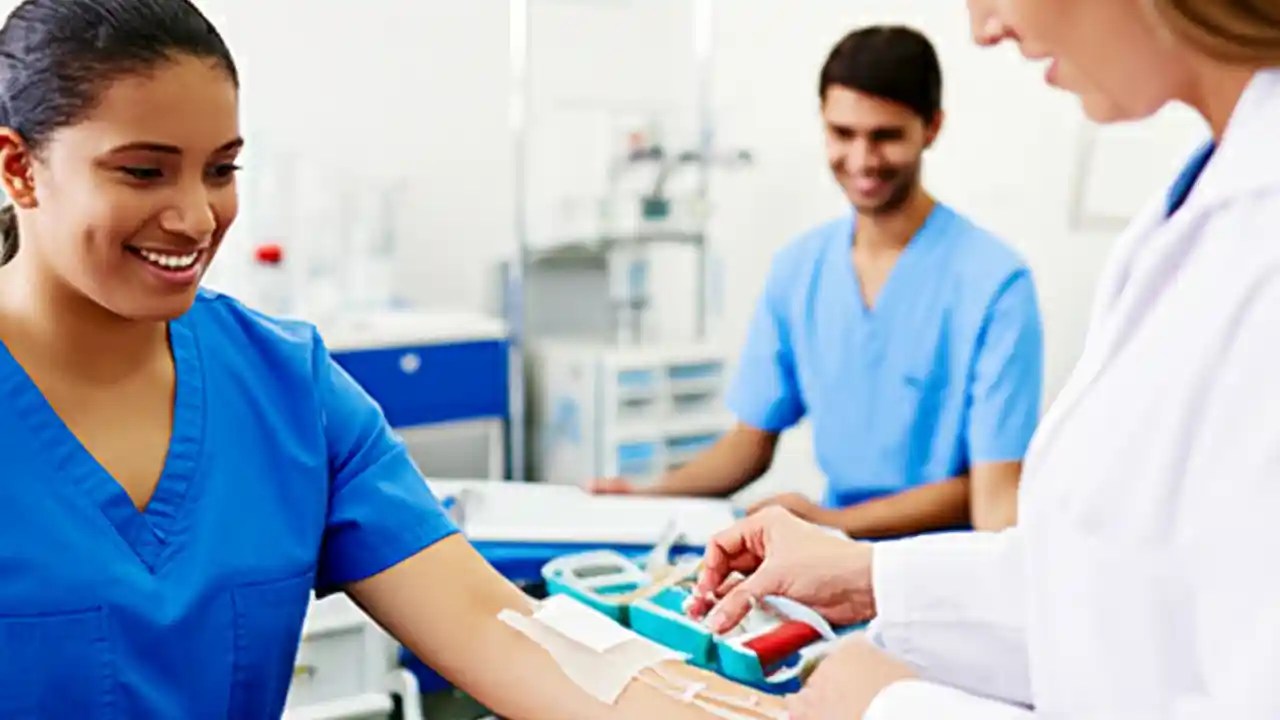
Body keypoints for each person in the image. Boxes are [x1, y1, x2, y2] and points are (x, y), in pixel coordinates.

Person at [0, 1, 788, 718]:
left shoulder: (285, 390)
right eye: (143, 171)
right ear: (17, 168)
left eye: (221, 169)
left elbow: (495, 625)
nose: (197, 215)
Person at [687, 0, 1280, 718]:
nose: (982, 28)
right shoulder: (1203, 209)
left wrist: (891, 708)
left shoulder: (998, 275)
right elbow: (1121, 591)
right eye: (841, 132)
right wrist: (864, 573)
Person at [592, 25, 1044, 535]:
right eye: (842, 134)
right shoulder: (799, 270)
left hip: (933, 564)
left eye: (886, 136)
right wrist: (643, 498)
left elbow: (992, 491)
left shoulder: (995, 283)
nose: (861, 160)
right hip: (832, 555)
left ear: (931, 128)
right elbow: (749, 446)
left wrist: (833, 522)